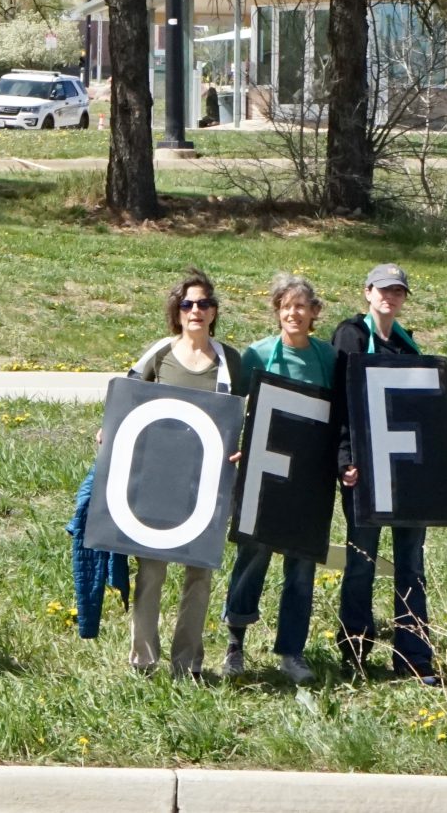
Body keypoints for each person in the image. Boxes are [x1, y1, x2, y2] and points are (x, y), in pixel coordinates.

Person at [120, 270, 234, 679]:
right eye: (188, 304)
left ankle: (187, 664)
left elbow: (250, 411)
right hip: (159, 481)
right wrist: (109, 432)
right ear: (178, 311)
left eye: (204, 304)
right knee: (151, 571)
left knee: (199, 574)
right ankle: (144, 662)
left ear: (214, 311)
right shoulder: (160, 354)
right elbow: (125, 399)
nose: (196, 311)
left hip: (207, 485)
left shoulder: (229, 360)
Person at [222, 271, 334, 686]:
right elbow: (231, 403)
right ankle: (235, 642)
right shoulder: (258, 354)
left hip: (308, 479)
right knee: (252, 558)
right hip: (263, 474)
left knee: (302, 567)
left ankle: (292, 651)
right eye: (287, 307)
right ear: (277, 312)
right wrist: (235, 446)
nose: (294, 313)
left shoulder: (328, 358)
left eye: (302, 307)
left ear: (314, 313)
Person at [331, 262, 437, 684]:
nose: (389, 297)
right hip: (364, 472)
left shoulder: (410, 347)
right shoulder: (350, 335)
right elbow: (339, 403)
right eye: (383, 290)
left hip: (405, 475)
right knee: (362, 562)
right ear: (367, 292)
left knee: (411, 563)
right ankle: (354, 653)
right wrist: (343, 460)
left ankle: (414, 657)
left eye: (398, 291)